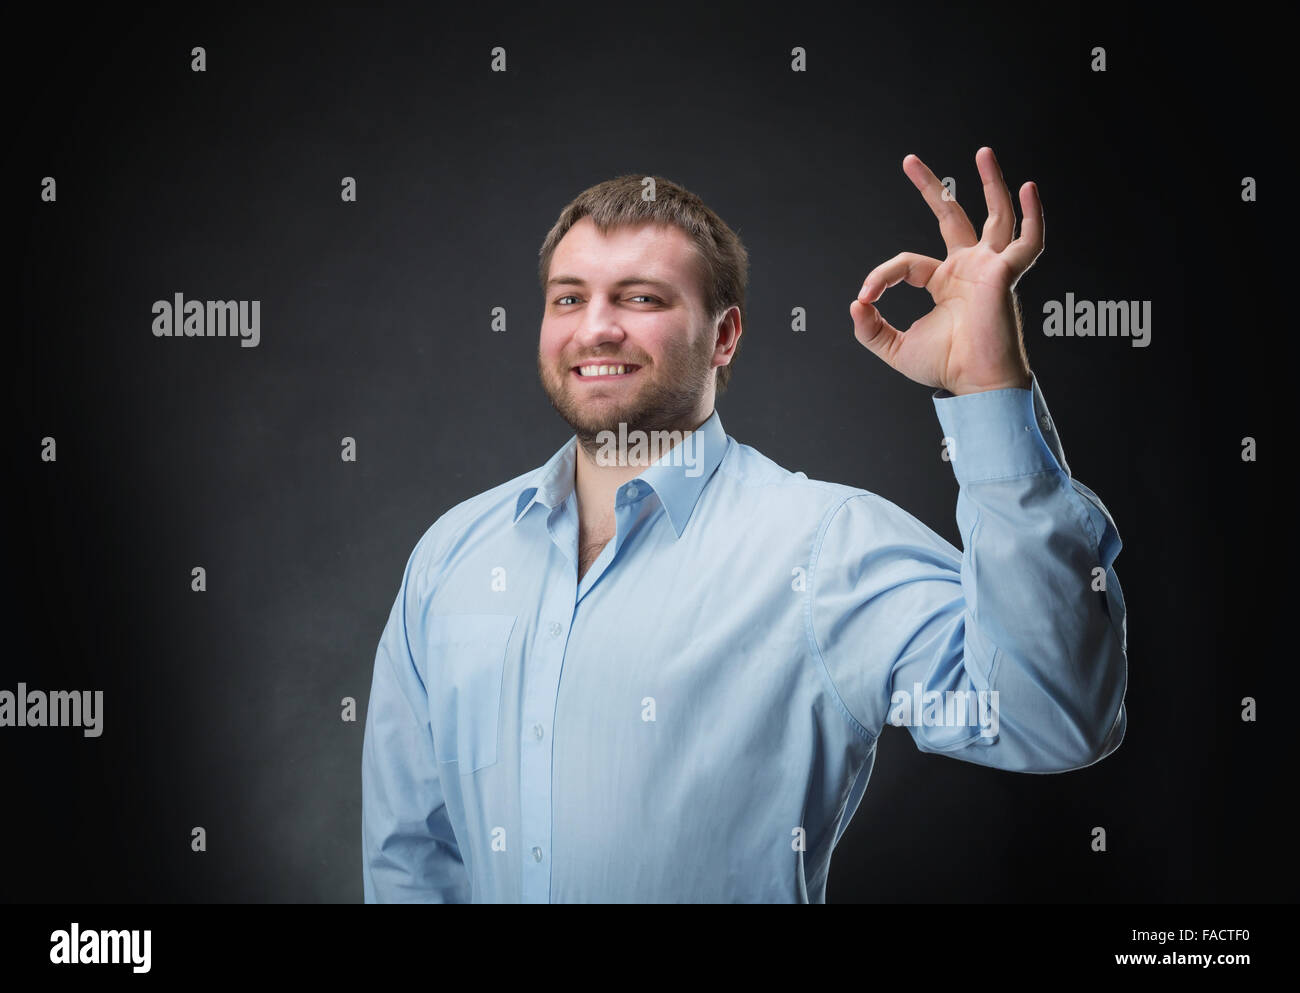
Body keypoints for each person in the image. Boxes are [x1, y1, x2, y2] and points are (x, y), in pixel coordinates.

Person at [361, 147, 1128, 903]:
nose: (595, 328)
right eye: (569, 298)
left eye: (640, 299)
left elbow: (1051, 714)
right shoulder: (450, 557)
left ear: (724, 336)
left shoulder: (829, 547)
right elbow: (410, 856)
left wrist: (988, 387)